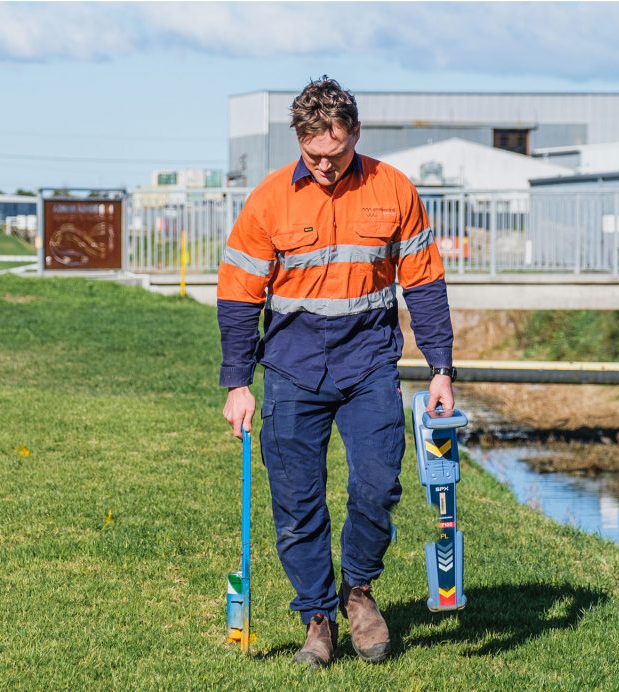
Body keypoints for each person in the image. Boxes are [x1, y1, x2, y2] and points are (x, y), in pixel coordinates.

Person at [217, 76, 455, 667]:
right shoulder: (270, 199)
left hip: (368, 363)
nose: (325, 166)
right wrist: (237, 383)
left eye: (337, 153)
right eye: (313, 155)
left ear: (356, 136)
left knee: (378, 485)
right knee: (297, 503)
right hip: (293, 368)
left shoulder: (393, 189)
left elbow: (423, 282)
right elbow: (239, 296)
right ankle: (318, 616)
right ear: (299, 141)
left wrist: (442, 369)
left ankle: (359, 592)